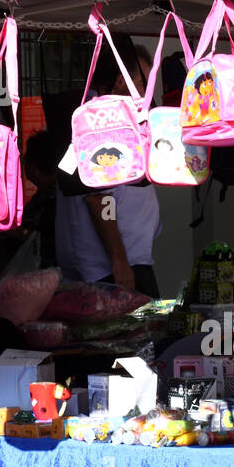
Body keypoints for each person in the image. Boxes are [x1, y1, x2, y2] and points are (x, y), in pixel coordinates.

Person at [55, 35, 162, 297]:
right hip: (114, 269)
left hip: (125, 261)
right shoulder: (100, 119)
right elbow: (98, 199)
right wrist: (119, 260)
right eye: (143, 83)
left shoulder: (106, 116)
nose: (147, 93)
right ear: (121, 80)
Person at [22, 129, 59, 268]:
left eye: (25, 161)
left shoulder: (52, 197)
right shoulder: (51, 192)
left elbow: (37, 236)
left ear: (34, 166)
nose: (24, 166)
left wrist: (19, 232)